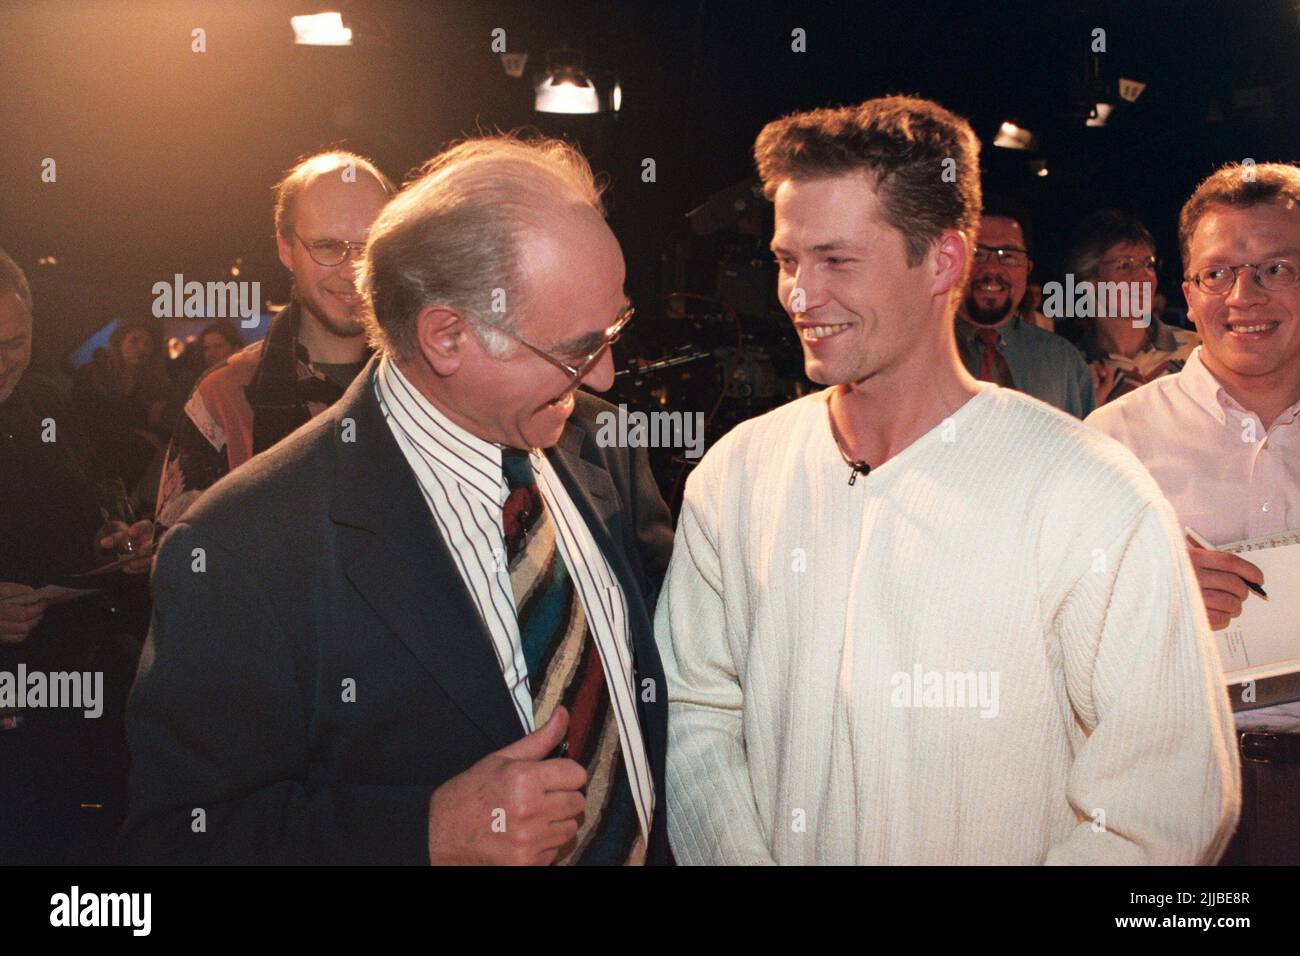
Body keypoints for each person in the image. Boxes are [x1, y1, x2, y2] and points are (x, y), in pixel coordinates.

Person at [654, 96, 1238, 865]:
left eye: (836, 260)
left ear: (944, 261)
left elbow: (1165, 806)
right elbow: (698, 711)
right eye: (788, 261)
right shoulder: (736, 474)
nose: (799, 294)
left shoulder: (1093, 494)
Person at [123, 135, 674, 865]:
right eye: (577, 349)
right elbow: (176, 843)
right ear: (446, 336)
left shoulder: (600, 446)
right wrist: (424, 834)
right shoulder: (241, 548)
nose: (605, 375)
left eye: (615, 329)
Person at [1086, 161, 1300, 864]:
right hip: (1174, 792)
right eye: (1218, 273)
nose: (1244, 295)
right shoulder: (1112, 443)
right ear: (1188, 293)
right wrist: (1148, 598)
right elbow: (1045, 634)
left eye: (1276, 269)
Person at [0, 248, 153, 864]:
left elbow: (81, 509)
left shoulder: (46, 402)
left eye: (15, 343)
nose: (1, 363)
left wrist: (113, 540)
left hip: (63, 687)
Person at [154, 151, 394, 526]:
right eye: (328, 246)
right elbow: (182, 553)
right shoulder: (225, 398)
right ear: (286, 249)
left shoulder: (437, 383)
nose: (352, 272)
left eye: (370, 246)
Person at [954, 202, 1098, 417]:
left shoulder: (1063, 362)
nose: (992, 268)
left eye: (1008, 256)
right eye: (977, 253)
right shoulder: (917, 351)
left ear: (1027, 268)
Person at [1064, 209, 1198, 405]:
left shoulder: (1198, 351)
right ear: (1089, 281)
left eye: (1148, 264)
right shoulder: (1072, 369)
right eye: (1125, 265)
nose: (1144, 276)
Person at [71, 319, 171, 492]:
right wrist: (136, 434)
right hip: (93, 455)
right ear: (119, 343)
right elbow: (84, 422)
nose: (142, 348)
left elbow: (156, 429)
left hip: (132, 465)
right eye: (134, 341)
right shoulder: (93, 374)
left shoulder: (152, 384)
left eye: (148, 344)